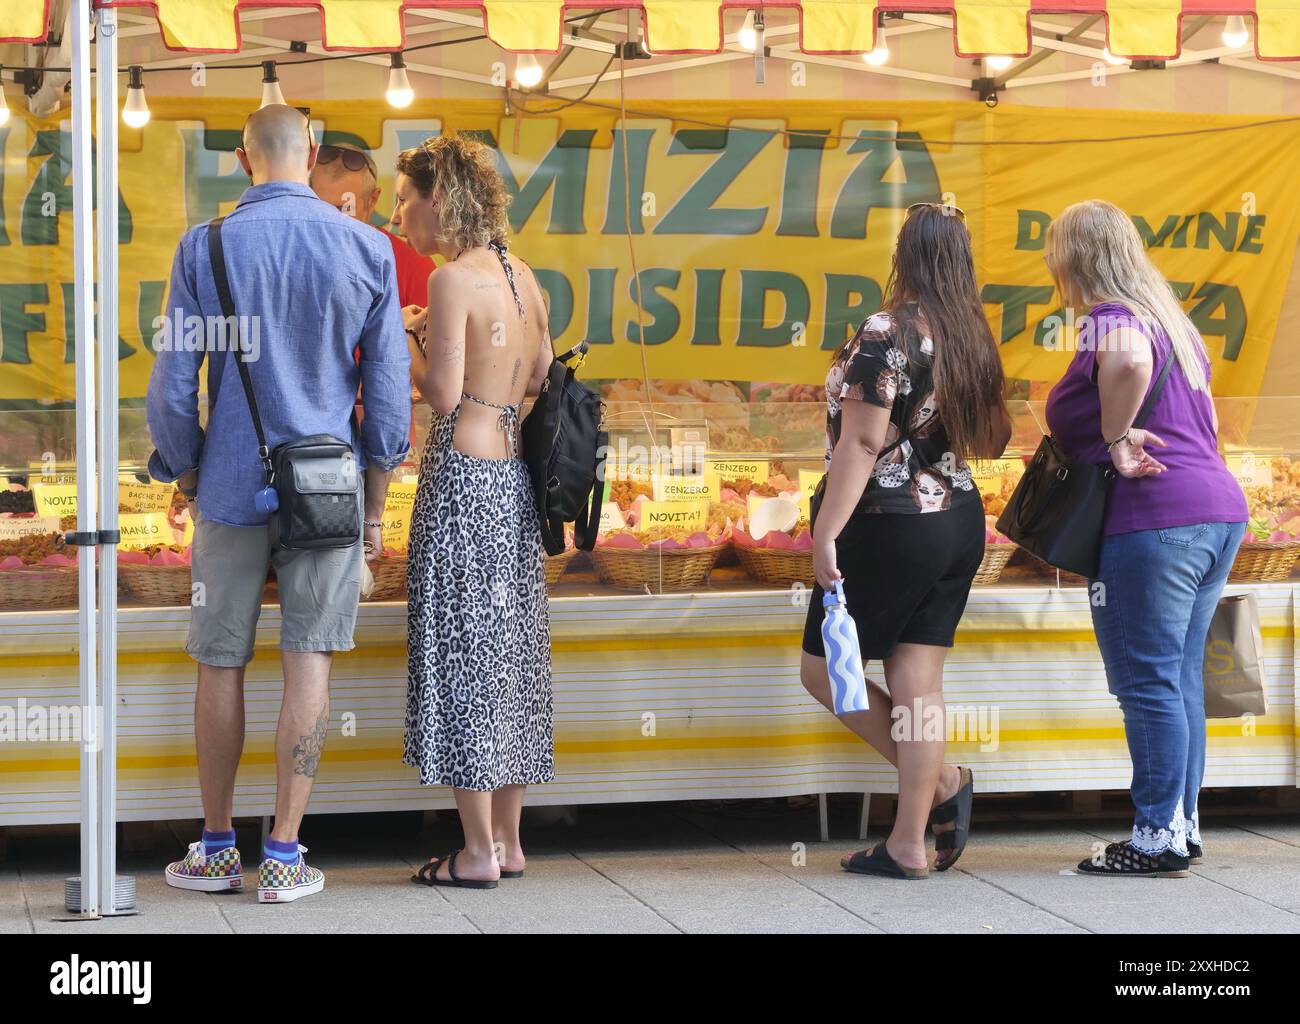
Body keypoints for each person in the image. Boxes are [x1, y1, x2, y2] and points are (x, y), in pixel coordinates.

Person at [147, 105, 411, 903]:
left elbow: (171, 383)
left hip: (228, 490)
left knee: (219, 662)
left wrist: (186, 470)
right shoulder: (368, 247)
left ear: (242, 159)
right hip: (326, 493)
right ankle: (287, 855)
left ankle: (218, 846)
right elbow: (389, 399)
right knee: (310, 664)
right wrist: (374, 497)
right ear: (311, 156)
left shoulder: (205, 246)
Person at [800, 203, 1011, 880]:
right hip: (957, 522)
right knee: (919, 683)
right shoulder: (972, 334)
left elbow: (862, 442)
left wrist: (825, 532)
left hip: (888, 524)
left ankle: (941, 786)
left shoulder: (885, 331)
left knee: (823, 672)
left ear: (905, 254)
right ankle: (910, 837)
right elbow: (996, 438)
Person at [1044, 199, 1247, 878]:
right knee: (1179, 677)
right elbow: (1208, 418)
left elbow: (1127, 364)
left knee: (1149, 682)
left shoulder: (1112, 319)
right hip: (1214, 510)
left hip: (1154, 518)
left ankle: (1157, 834)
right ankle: (1181, 824)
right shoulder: (1174, 323)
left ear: (1072, 257)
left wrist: (1112, 439)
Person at [389, 133, 555, 889]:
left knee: (463, 662)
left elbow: (444, 397)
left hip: (460, 483)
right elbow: (539, 373)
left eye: (405, 200)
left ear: (438, 199)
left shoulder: (454, 279)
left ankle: (476, 854)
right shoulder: (524, 277)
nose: (399, 215)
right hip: (512, 481)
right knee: (511, 662)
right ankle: (511, 842)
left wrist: (405, 340)